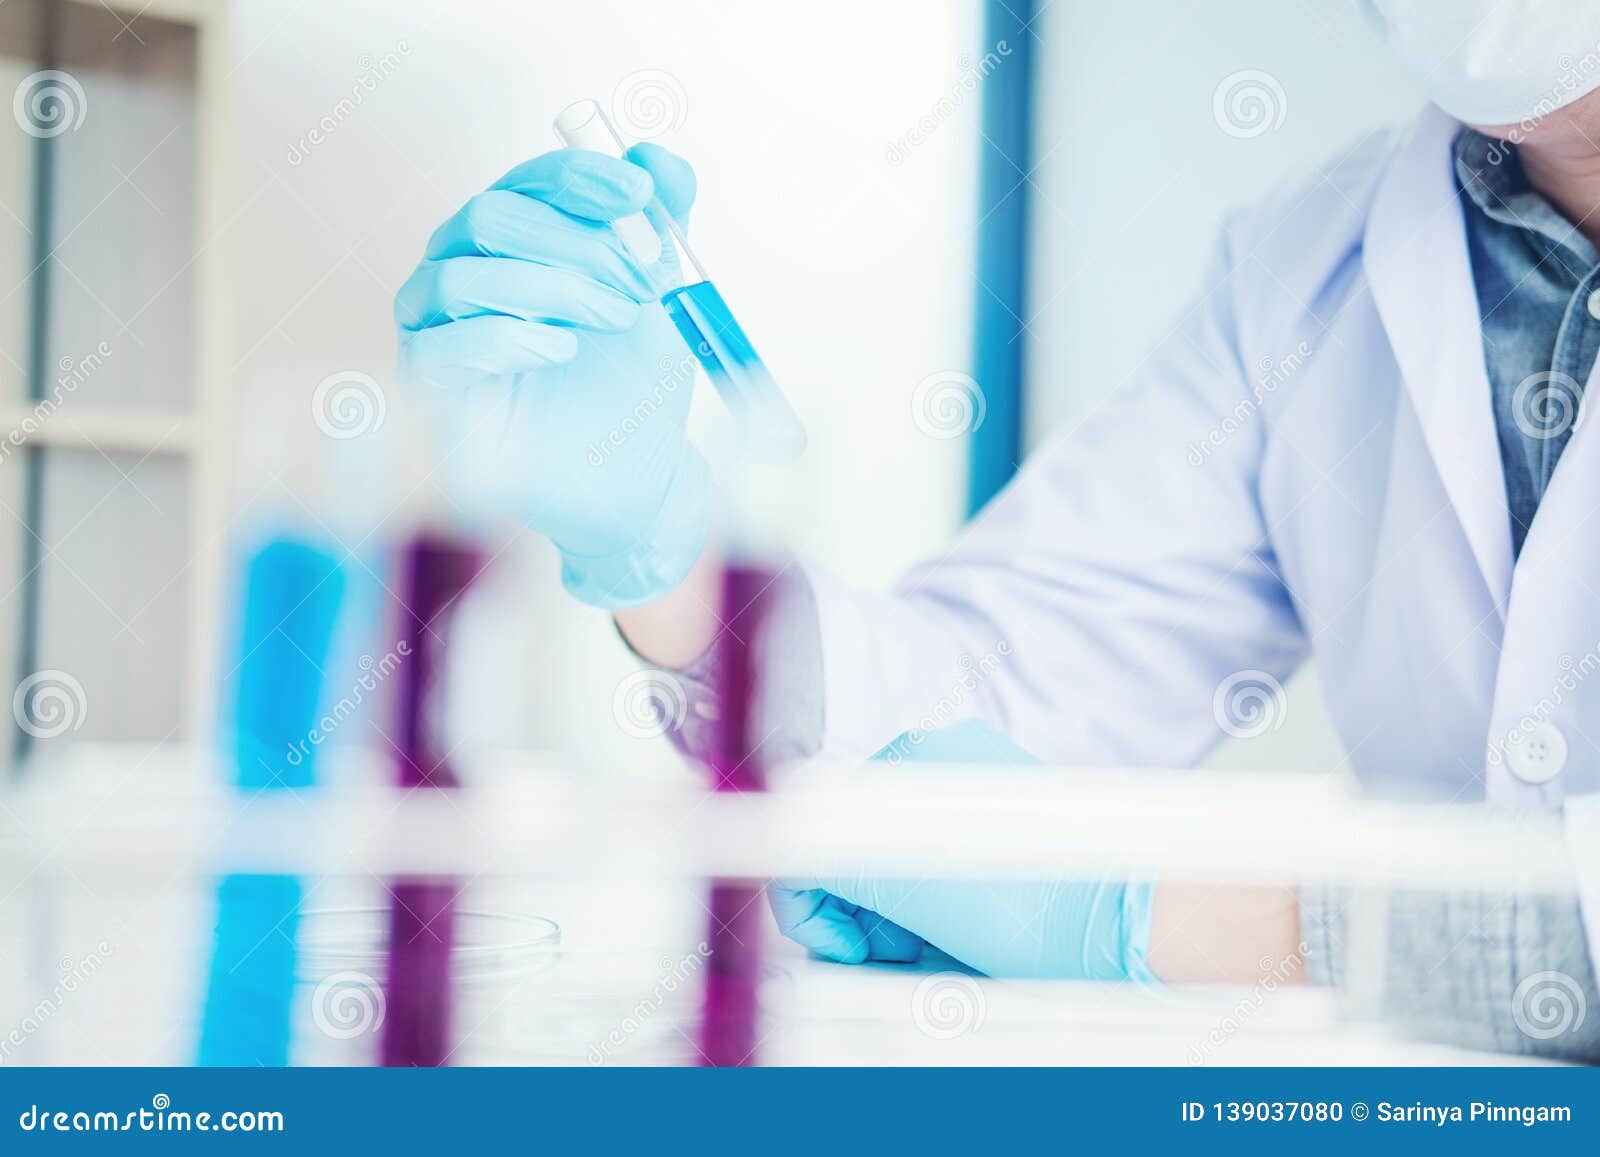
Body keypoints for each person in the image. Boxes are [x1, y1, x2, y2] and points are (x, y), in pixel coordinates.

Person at [394, 2, 1600, 1059]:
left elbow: (1069, 880)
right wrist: (660, 551)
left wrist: (1194, 918)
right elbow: (987, 709)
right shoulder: (1311, 263)